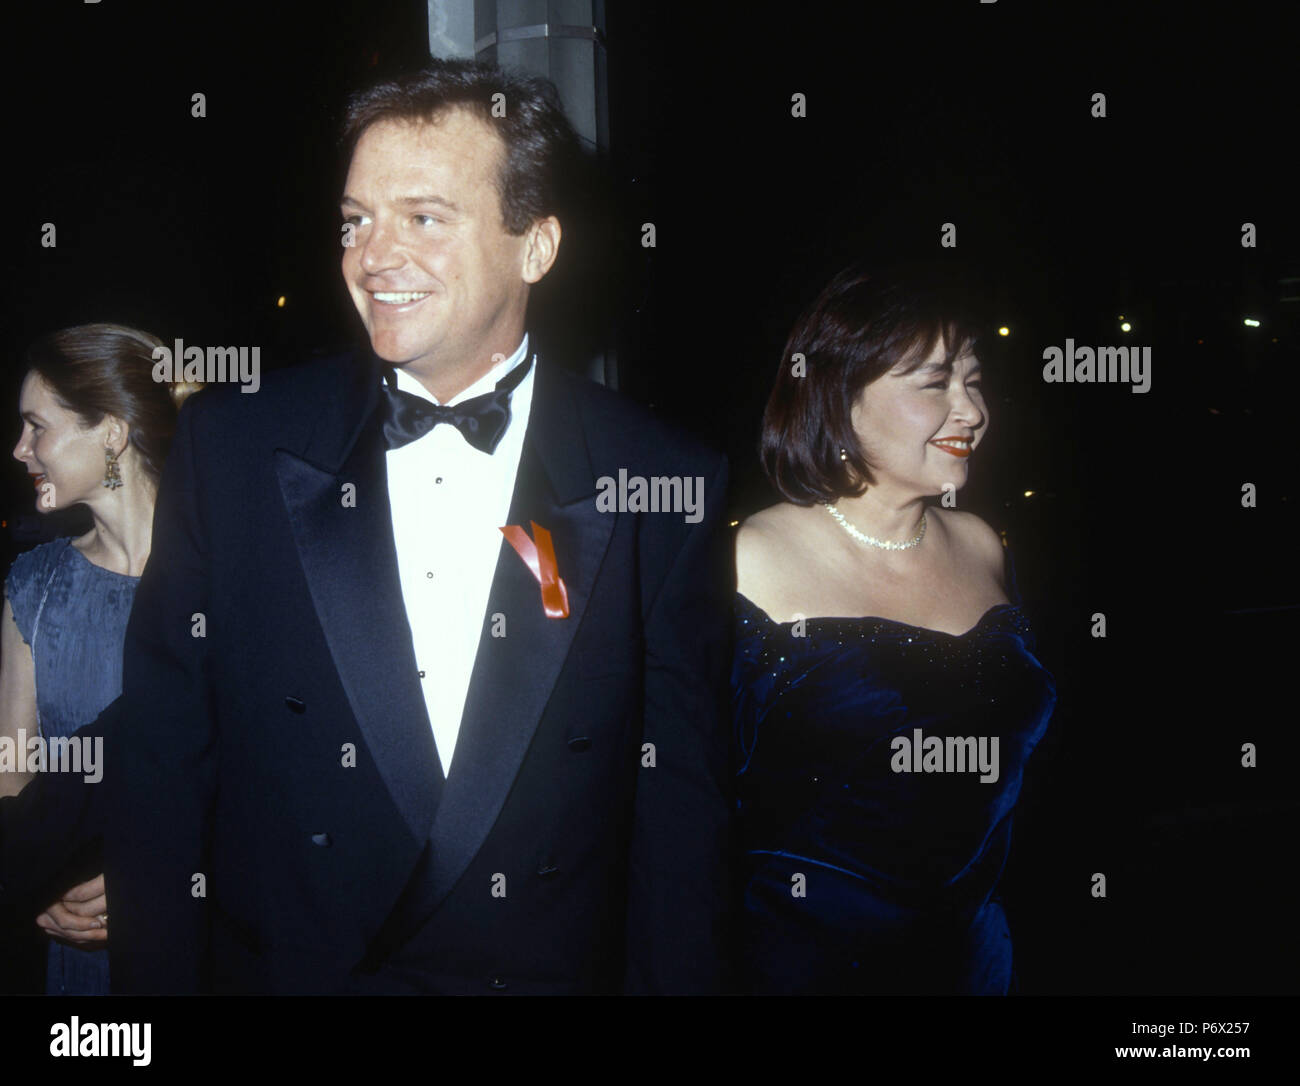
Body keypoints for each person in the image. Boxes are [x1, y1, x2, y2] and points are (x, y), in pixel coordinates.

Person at [104, 59, 732, 995]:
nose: (372, 255)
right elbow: (161, 772)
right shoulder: (232, 451)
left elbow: (679, 828)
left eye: (424, 218)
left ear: (536, 246)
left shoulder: (663, 482)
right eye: (356, 220)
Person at [732, 262, 1057, 994]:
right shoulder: (751, 561)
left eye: (973, 380)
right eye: (934, 383)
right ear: (840, 400)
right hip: (808, 969)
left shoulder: (981, 543)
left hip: (978, 962)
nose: (970, 408)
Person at [0, 323, 194, 994]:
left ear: (110, 434)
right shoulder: (34, 588)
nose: (19, 448)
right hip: (73, 957)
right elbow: (11, 770)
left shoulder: (225, 579)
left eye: (36, 427)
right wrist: (37, 877)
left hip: (200, 941)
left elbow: (275, 787)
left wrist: (153, 876)